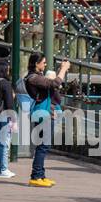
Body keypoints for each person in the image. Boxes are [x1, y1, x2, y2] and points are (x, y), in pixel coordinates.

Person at [25, 55, 69, 187]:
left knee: (44, 145)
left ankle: (41, 175)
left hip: (46, 112)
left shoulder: (37, 76)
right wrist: (63, 69)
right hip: (42, 113)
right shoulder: (33, 78)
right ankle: (36, 175)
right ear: (36, 63)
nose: (45, 65)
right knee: (43, 146)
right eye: (43, 63)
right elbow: (55, 83)